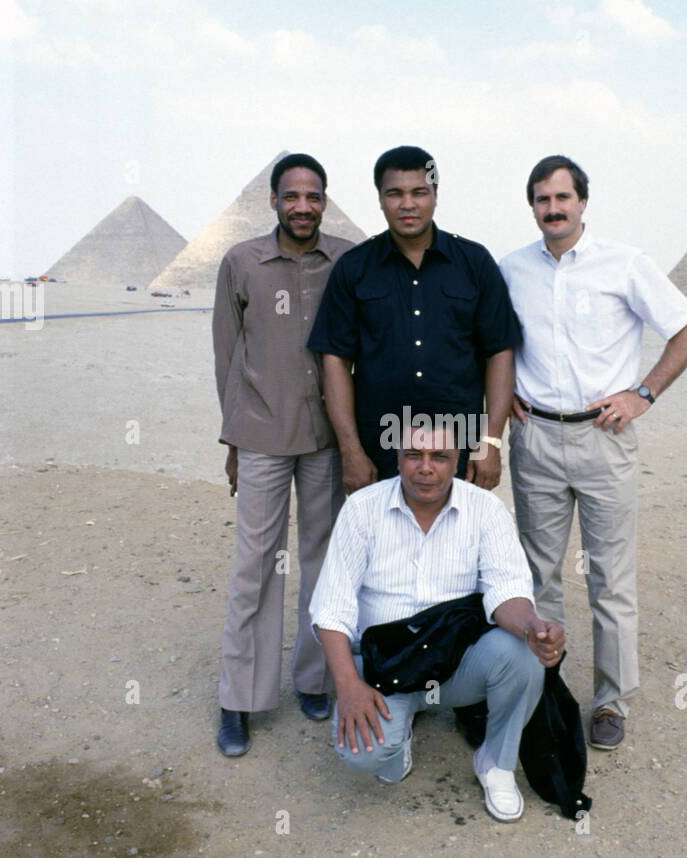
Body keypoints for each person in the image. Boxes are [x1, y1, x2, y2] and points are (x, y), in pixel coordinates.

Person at [498, 155, 687, 750]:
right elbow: (487, 338)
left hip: (604, 436)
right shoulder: (511, 269)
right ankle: (542, 691)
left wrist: (644, 393)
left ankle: (612, 702)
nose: (553, 208)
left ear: (583, 201)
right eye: (542, 199)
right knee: (537, 575)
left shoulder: (626, 265)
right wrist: (504, 388)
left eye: (563, 197)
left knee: (610, 581)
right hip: (535, 436)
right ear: (532, 205)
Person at [309, 426, 566, 822]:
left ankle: (496, 763)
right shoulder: (361, 508)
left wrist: (533, 626)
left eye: (439, 457)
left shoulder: (486, 509)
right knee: (364, 755)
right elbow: (331, 607)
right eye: (414, 455)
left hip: (454, 662)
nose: (425, 468)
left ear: (458, 461)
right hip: (384, 664)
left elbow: (507, 591)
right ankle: (398, 740)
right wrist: (347, 685)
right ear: (398, 459)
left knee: (522, 652)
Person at [211, 152, 355, 757]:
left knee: (324, 564)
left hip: (325, 439)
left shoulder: (348, 259)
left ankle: (315, 679)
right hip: (264, 437)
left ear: (324, 201)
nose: (303, 207)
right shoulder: (241, 262)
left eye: (313, 197)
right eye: (291, 196)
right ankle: (240, 699)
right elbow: (226, 356)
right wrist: (234, 439)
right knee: (255, 568)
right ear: (272, 200)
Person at [307, 145, 520, 492]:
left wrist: (490, 442)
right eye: (395, 193)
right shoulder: (354, 268)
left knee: (458, 544)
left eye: (419, 192)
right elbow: (335, 361)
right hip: (378, 448)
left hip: (460, 447)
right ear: (380, 199)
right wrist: (351, 452)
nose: (408, 204)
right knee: (384, 544)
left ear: (435, 195)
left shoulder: (474, 262)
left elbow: (499, 351)